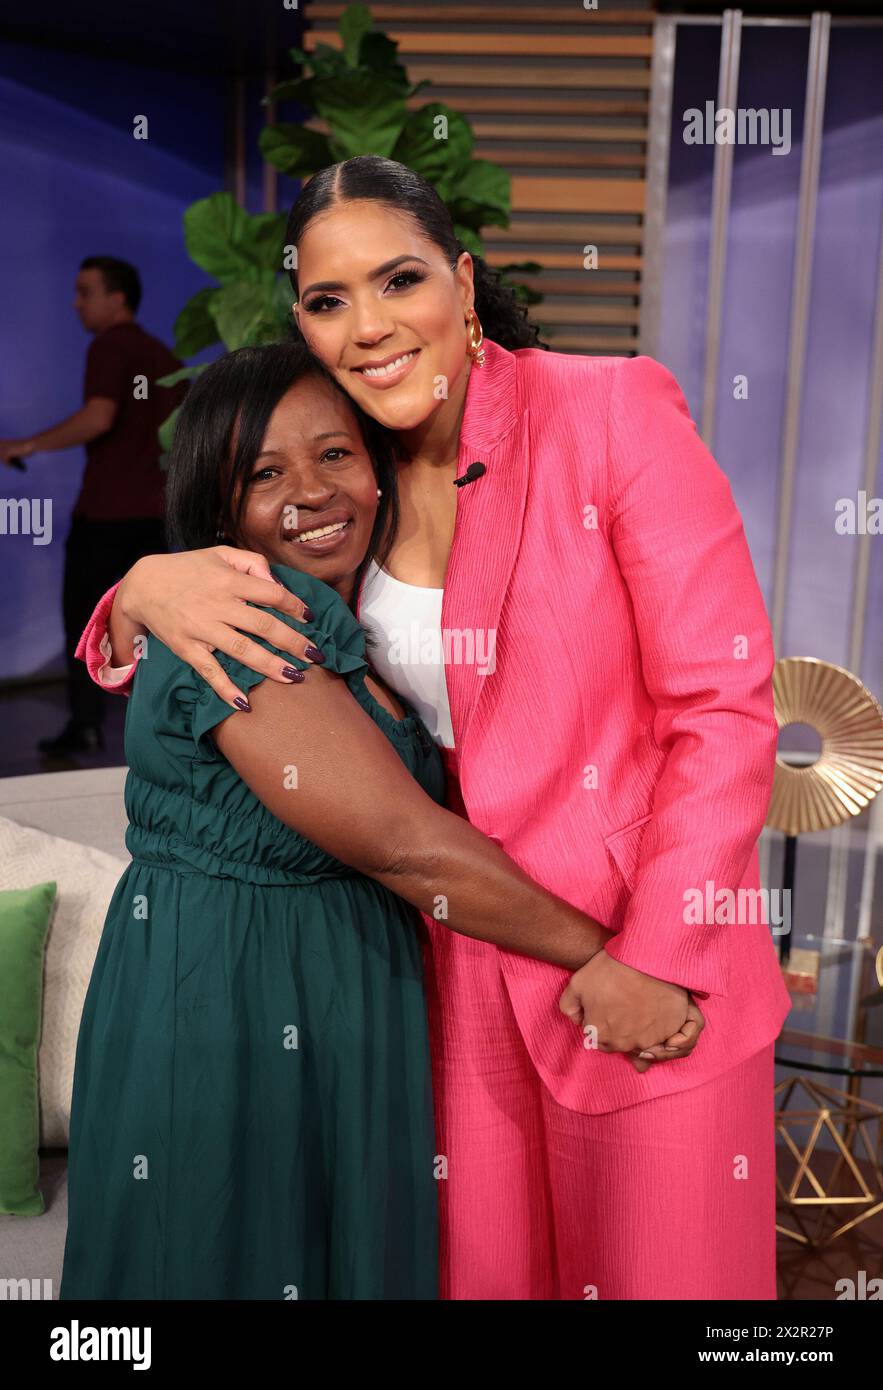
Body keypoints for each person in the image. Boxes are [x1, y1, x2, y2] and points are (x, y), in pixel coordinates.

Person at [75, 157, 790, 1301]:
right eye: (327, 300)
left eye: (397, 280)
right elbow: (233, 574)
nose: (367, 327)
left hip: (648, 956)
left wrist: (651, 959)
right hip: (449, 974)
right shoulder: (346, 462)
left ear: (460, 282)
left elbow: (723, 706)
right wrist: (140, 589)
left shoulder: (604, 411)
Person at [60, 337, 655, 1300]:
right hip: (231, 1007)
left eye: (335, 454)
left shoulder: (371, 623)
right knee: (223, 1253)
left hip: (340, 995)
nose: (311, 491)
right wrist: (606, 962)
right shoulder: (241, 619)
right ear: (221, 510)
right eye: (264, 473)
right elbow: (405, 843)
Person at [0, 256, 187, 755]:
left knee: (87, 623)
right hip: (156, 518)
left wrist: (25, 445)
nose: (75, 302)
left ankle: (84, 725)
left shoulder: (110, 346)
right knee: (158, 629)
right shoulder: (162, 355)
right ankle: (166, 735)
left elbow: (99, 417)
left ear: (116, 297)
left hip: (106, 518)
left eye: (85, 292)